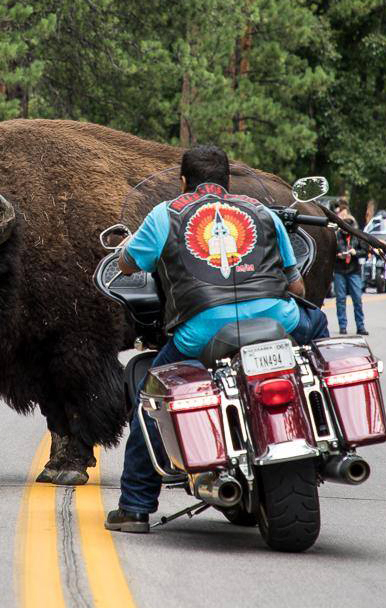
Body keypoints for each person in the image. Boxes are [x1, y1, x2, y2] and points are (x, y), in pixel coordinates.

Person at [105, 145, 329, 533]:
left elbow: (127, 264)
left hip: (203, 332)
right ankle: (322, 409)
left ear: (182, 181)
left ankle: (136, 507)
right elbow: (296, 283)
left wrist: (128, 249)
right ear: (227, 180)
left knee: (149, 400)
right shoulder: (262, 212)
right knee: (319, 333)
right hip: (278, 319)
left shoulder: (166, 214)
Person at [331, 201, 369, 335]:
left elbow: (365, 251)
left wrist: (355, 253)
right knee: (340, 299)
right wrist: (338, 255)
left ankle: (361, 326)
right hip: (340, 270)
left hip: (354, 271)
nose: (344, 230)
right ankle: (343, 326)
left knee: (357, 299)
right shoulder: (336, 236)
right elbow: (330, 253)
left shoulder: (357, 235)